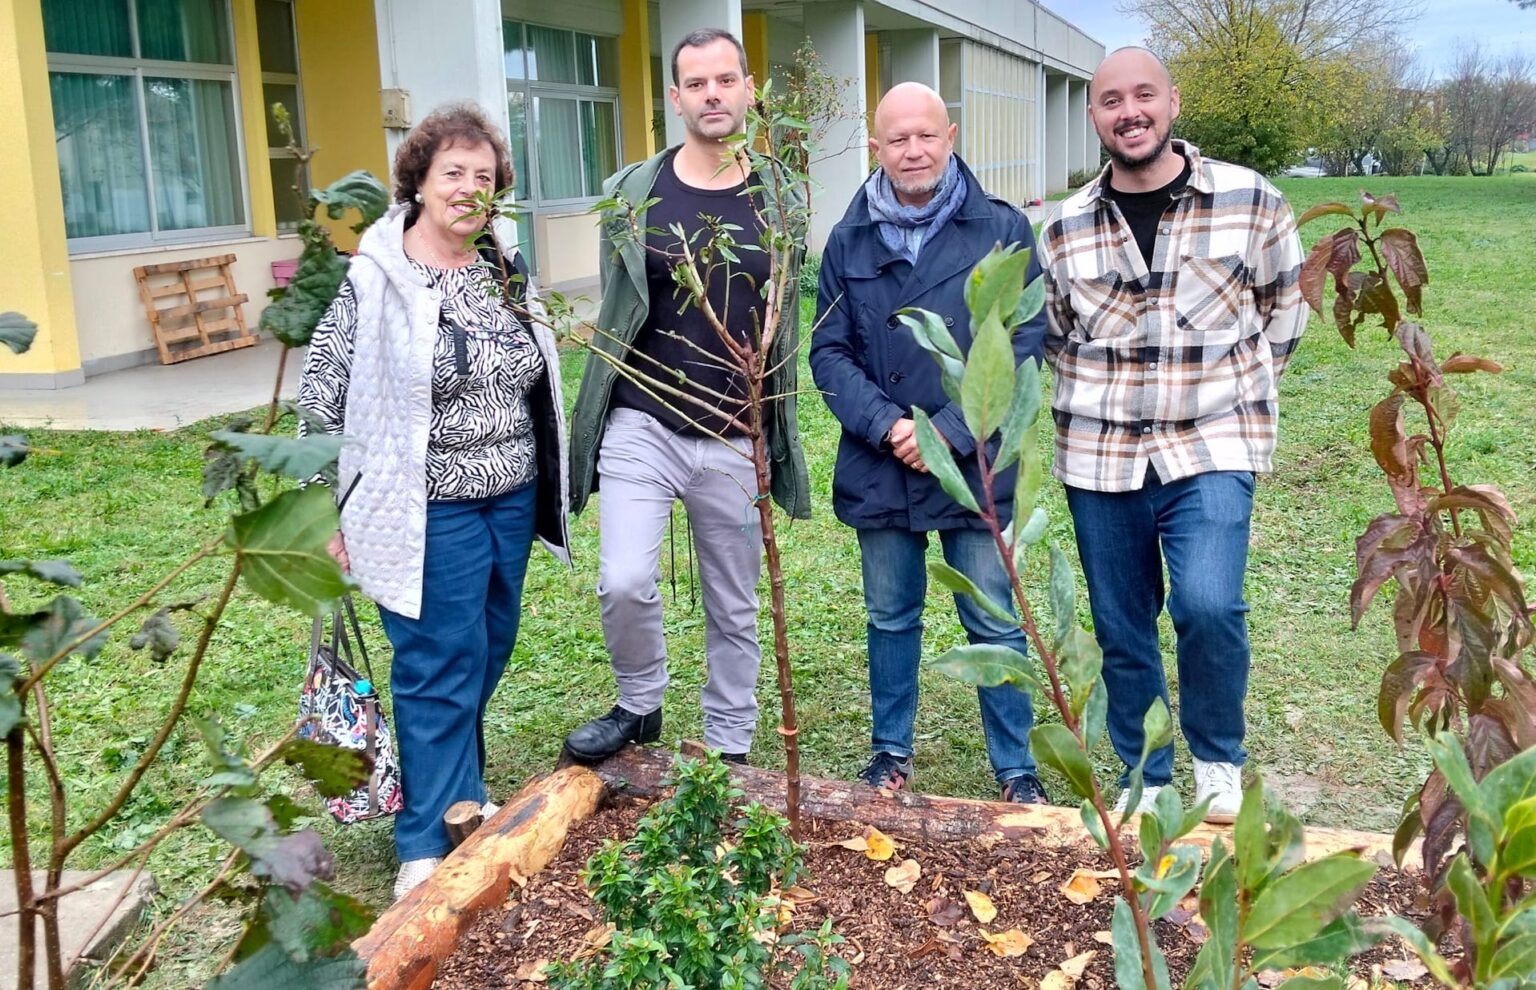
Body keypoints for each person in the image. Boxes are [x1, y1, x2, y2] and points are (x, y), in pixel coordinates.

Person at [297, 103, 571, 898]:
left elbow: (537, 375)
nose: (469, 189)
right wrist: (322, 509)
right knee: (434, 663)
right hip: (425, 506)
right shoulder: (377, 275)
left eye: (484, 178)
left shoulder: (503, 267)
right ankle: (424, 838)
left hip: (510, 496)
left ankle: (458, 785)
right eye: (453, 173)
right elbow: (321, 391)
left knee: (483, 649)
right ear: (417, 180)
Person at [1037, 47, 1306, 822]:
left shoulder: (1251, 202)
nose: (1130, 112)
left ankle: (1218, 757)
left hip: (1213, 441)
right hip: (1101, 451)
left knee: (1209, 603)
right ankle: (1147, 771)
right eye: (1111, 101)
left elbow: (1284, 315)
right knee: (1121, 620)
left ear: (1173, 102)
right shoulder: (1065, 227)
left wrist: (1230, 392)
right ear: (1094, 117)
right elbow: (1055, 337)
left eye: (1143, 95)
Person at [561, 29, 810, 765]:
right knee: (625, 578)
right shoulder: (634, 191)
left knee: (735, 604)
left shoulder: (781, 192)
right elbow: (620, 299)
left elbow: (784, 308)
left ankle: (730, 743)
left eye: (725, 80)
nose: (712, 94)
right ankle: (640, 705)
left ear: (748, 89)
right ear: (676, 97)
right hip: (644, 420)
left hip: (737, 432)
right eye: (696, 83)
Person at [809, 82, 1049, 805]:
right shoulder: (847, 238)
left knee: (993, 619)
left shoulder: (1002, 231)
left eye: (925, 136)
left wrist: (944, 432)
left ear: (949, 136)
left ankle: (1017, 768)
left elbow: (1024, 342)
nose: (912, 151)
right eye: (896, 139)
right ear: (876, 146)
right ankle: (889, 753)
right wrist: (890, 426)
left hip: (973, 462)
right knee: (890, 616)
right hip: (881, 463)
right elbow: (828, 354)